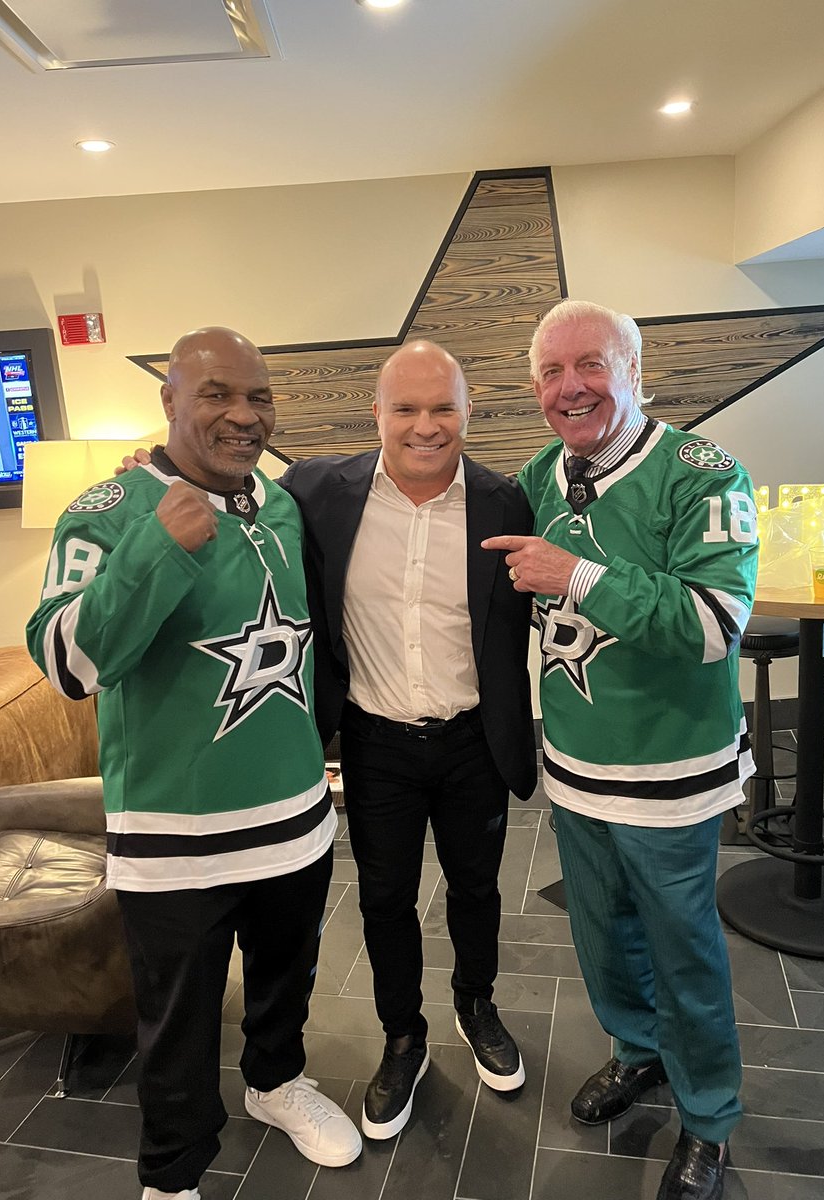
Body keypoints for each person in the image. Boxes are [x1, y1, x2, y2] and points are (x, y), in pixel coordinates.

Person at [27, 328, 361, 1200]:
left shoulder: (281, 503)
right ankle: (173, 1175)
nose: (243, 415)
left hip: (294, 818)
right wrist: (157, 547)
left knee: (286, 980)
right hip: (174, 836)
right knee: (176, 1025)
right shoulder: (107, 510)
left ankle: (276, 1082)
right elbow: (67, 663)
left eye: (259, 396)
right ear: (169, 399)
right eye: (216, 393)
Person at [483, 300, 758, 1200]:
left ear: (636, 372)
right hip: (576, 765)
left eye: (592, 365)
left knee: (685, 951)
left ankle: (708, 1118)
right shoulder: (537, 475)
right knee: (603, 937)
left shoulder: (701, 473)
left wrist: (578, 576)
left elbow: (713, 624)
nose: (571, 388)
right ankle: (639, 1049)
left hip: (672, 771)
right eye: (552, 372)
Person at [280, 339, 537, 1139]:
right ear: (376, 413)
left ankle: (476, 1004)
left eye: (442, 408)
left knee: (477, 887)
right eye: (406, 409)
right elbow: (236, 509)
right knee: (385, 897)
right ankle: (403, 1037)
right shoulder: (317, 491)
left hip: (472, 739)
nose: (426, 426)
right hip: (374, 740)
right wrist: (155, 476)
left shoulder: (506, 502)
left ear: (468, 412)